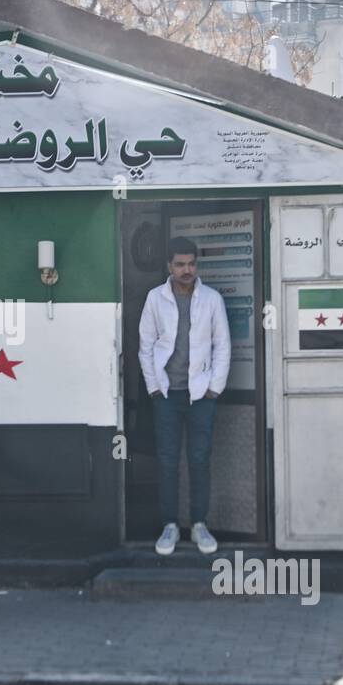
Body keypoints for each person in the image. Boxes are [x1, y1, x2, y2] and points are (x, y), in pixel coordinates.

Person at [138, 237, 231, 556]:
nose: (186, 270)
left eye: (191, 263)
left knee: (199, 459)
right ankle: (170, 525)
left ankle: (199, 524)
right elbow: (146, 346)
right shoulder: (155, 299)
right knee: (167, 461)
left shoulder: (212, 299)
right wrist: (153, 387)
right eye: (180, 264)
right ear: (169, 266)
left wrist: (214, 387)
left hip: (201, 394)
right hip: (166, 393)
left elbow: (222, 345)